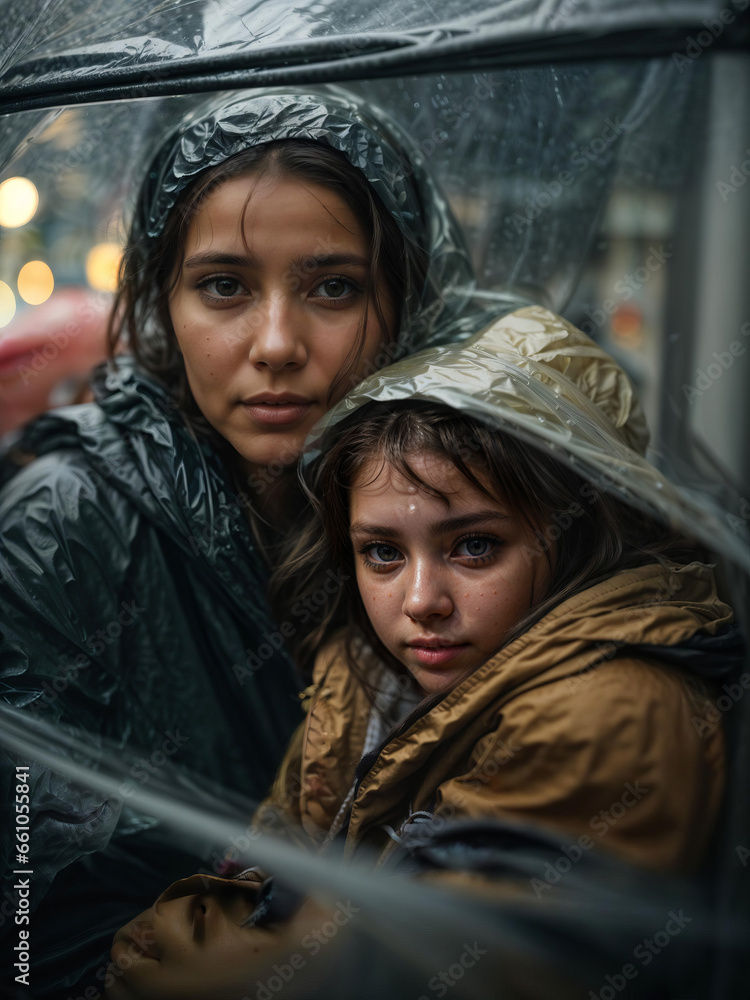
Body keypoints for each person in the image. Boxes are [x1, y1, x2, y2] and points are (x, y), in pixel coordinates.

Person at [99, 308, 743, 1000]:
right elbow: (259, 884)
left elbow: (427, 967)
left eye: (474, 546)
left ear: (577, 538)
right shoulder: (366, 683)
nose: (420, 601)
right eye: (382, 553)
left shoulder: (610, 711)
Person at [0, 84, 488, 993]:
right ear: (159, 302)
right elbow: (22, 927)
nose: (276, 343)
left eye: (333, 288)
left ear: (405, 300)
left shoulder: (466, 512)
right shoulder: (62, 532)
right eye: (224, 286)